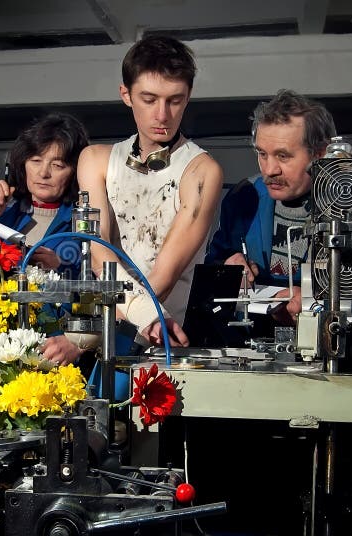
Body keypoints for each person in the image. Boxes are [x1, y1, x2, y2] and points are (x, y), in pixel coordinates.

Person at [55, 34, 223, 361]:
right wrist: (92, 334)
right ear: (126, 95)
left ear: (187, 98)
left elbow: (163, 277)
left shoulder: (202, 171)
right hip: (105, 325)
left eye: (175, 100)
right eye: (149, 99)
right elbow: (97, 252)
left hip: (164, 339)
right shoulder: (96, 160)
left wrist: (86, 336)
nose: (162, 115)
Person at [206, 89, 352, 326]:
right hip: (252, 347)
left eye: (283, 156)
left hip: (332, 350)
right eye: (262, 154)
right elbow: (211, 273)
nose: (270, 170)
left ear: (320, 154)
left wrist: (314, 305)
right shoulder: (243, 198)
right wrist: (225, 271)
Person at [0, 113, 89, 278]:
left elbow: (99, 281)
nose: (43, 173)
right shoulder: (3, 210)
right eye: (36, 161)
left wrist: (60, 269)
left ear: (76, 172)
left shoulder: (85, 223)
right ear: (23, 164)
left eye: (57, 165)